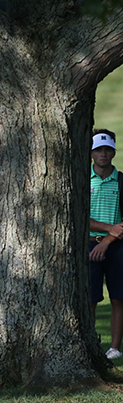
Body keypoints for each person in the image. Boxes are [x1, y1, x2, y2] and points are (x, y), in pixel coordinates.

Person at [89, 129, 123, 360]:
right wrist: (107, 229)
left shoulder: (121, 181)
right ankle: (90, 344)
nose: (103, 154)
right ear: (92, 153)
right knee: (90, 298)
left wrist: (109, 238)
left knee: (118, 297)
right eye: (98, 150)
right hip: (89, 245)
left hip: (118, 246)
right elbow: (78, 217)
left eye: (107, 150)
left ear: (113, 152)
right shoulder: (81, 179)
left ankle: (114, 348)